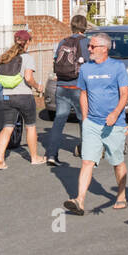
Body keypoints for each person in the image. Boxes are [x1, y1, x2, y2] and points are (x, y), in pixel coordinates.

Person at [62, 33, 128, 215]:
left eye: (92, 46)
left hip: (114, 124)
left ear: (104, 48)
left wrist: (115, 114)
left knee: (116, 161)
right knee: (87, 161)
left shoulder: (117, 67)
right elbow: (83, 94)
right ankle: (80, 200)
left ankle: (121, 195)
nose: (89, 49)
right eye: (89, 46)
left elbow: (124, 94)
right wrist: (85, 119)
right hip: (92, 122)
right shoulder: (85, 69)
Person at [45, 14, 91, 166]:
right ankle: (86, 152)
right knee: (83, 119)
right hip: (79, 87)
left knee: (59, 120)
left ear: (72, 26)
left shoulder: (62, 42)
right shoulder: (86, 43)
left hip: (62, 86)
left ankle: (51, 154)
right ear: (84, 26)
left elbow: (54, 60)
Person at [0, 30, 44, 168]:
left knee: (7, 127)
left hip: (6, 96)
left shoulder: (5, 57)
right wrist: (37, 87)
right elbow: (28, 78)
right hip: (24, 97)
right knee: (30, 126)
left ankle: (0, 159)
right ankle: (34, 157)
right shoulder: (27, 58)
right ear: (27, 42)